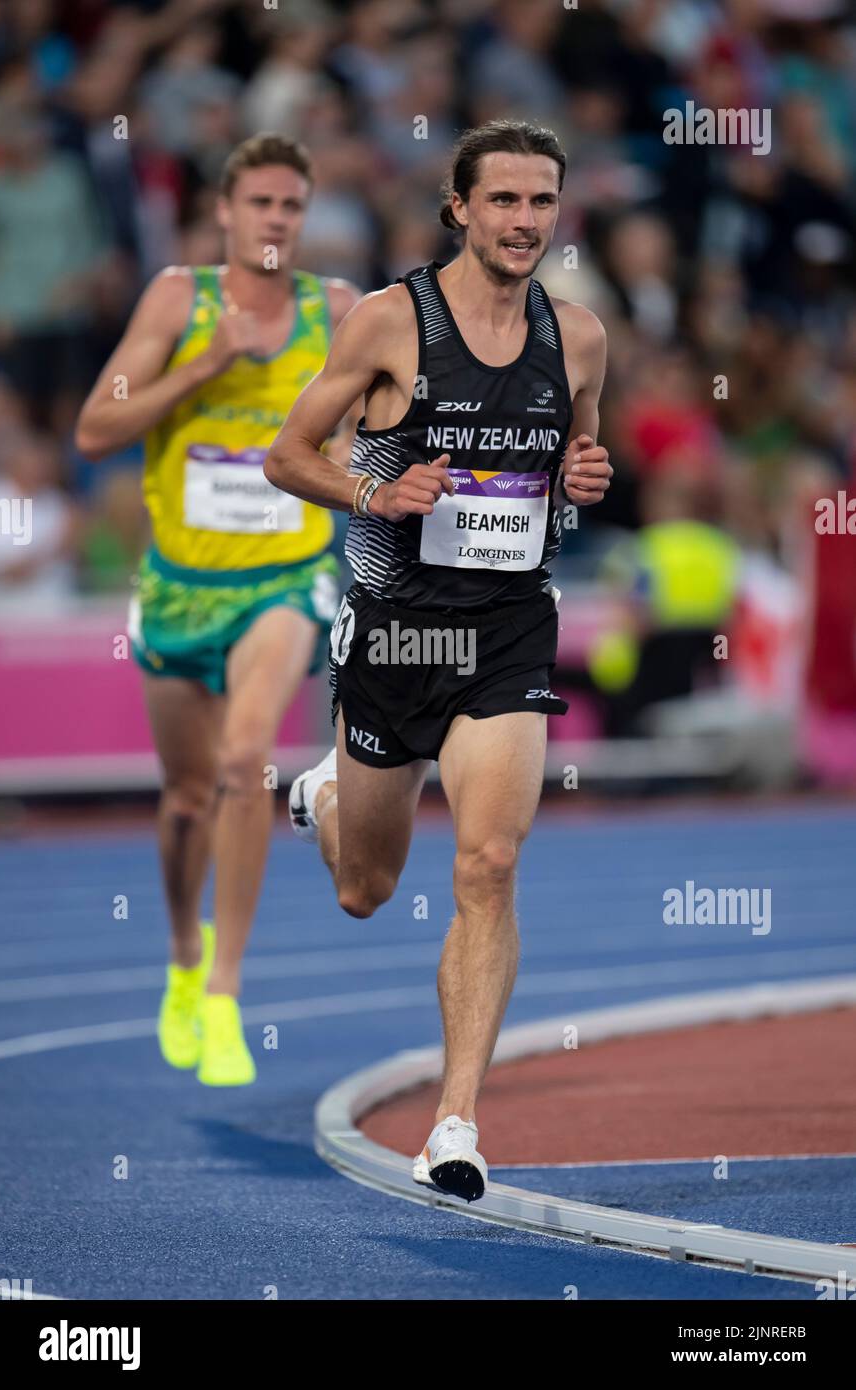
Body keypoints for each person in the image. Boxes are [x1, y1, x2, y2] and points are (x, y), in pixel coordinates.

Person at [265, 120, 612, 1201]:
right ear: (459, 208)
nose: (523, 221)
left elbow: (576, 460)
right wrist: (377, 490)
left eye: (541, 201)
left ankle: (456, 1121)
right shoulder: (388, 323)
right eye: (502, 200)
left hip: (506, 631)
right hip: (396, 633)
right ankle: (326, 797)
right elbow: (286, 455)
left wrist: (584, 480)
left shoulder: (582, 335)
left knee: (489, 863)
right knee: (367, 888)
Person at [75, 133, 360, 1086]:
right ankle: (184, 960)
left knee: (247, 761)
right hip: (179, 587)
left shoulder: (338, 310)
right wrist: (205, 365)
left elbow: (375, 433)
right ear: (225, 214)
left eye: (292, 205)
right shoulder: (177, 299)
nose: (276, 220)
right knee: (186, 799)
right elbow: (95, 428)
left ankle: (230, 992)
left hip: (286, 577)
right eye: (261, 204)